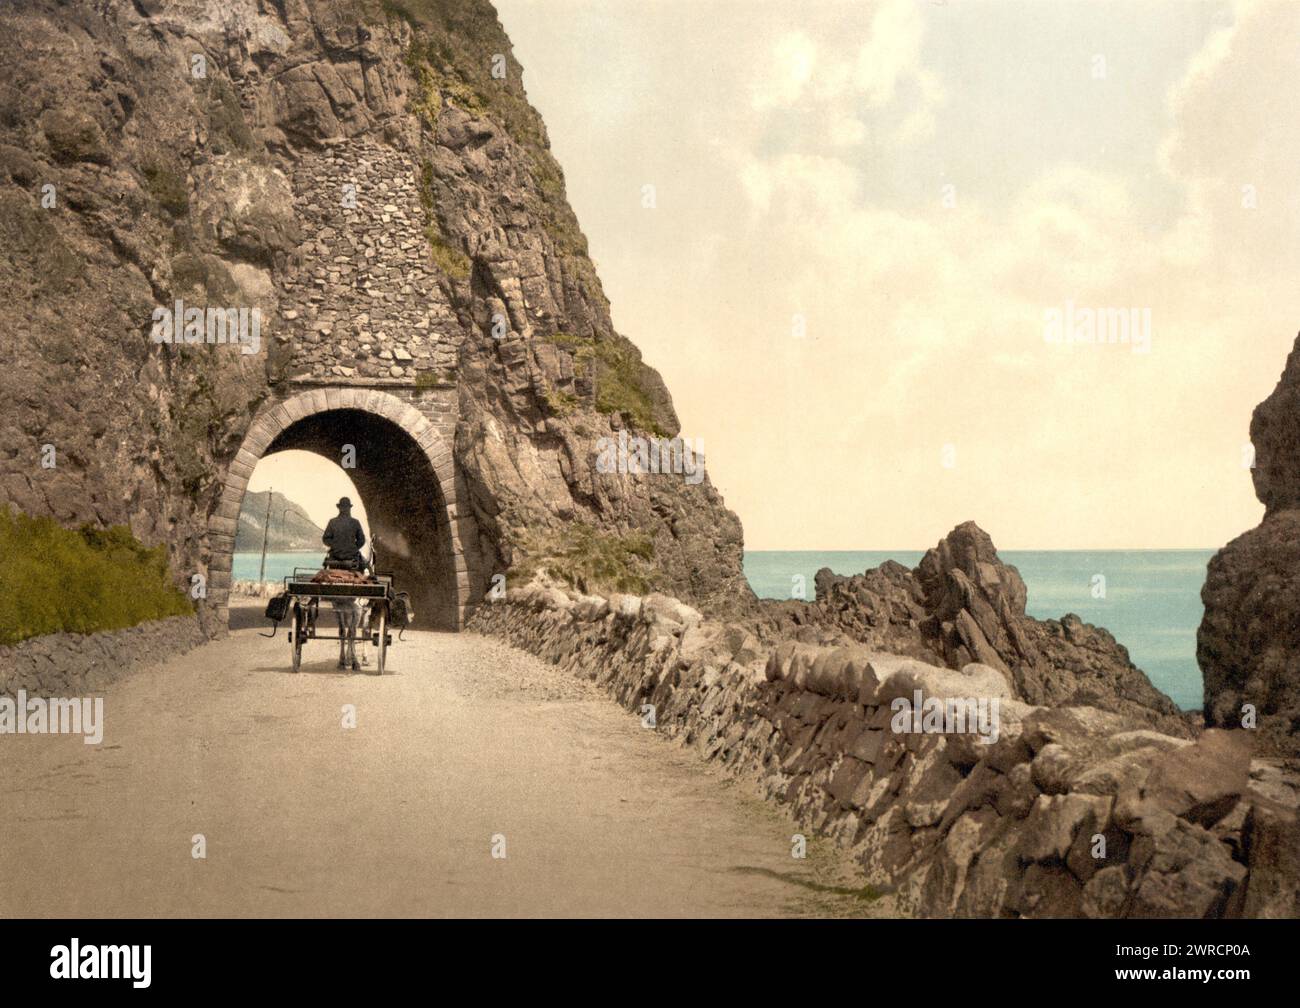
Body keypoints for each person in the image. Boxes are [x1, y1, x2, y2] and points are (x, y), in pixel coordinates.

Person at [322, 496, 366, 567]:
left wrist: (335, 545)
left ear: (339, 508)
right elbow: (362, 540)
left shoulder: (332, 522)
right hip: (352, 559)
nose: (345, 509)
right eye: (345, 507)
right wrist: (352, 548)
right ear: (349, 508)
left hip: (335, 559)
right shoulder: (355, 522)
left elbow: (325, 539)